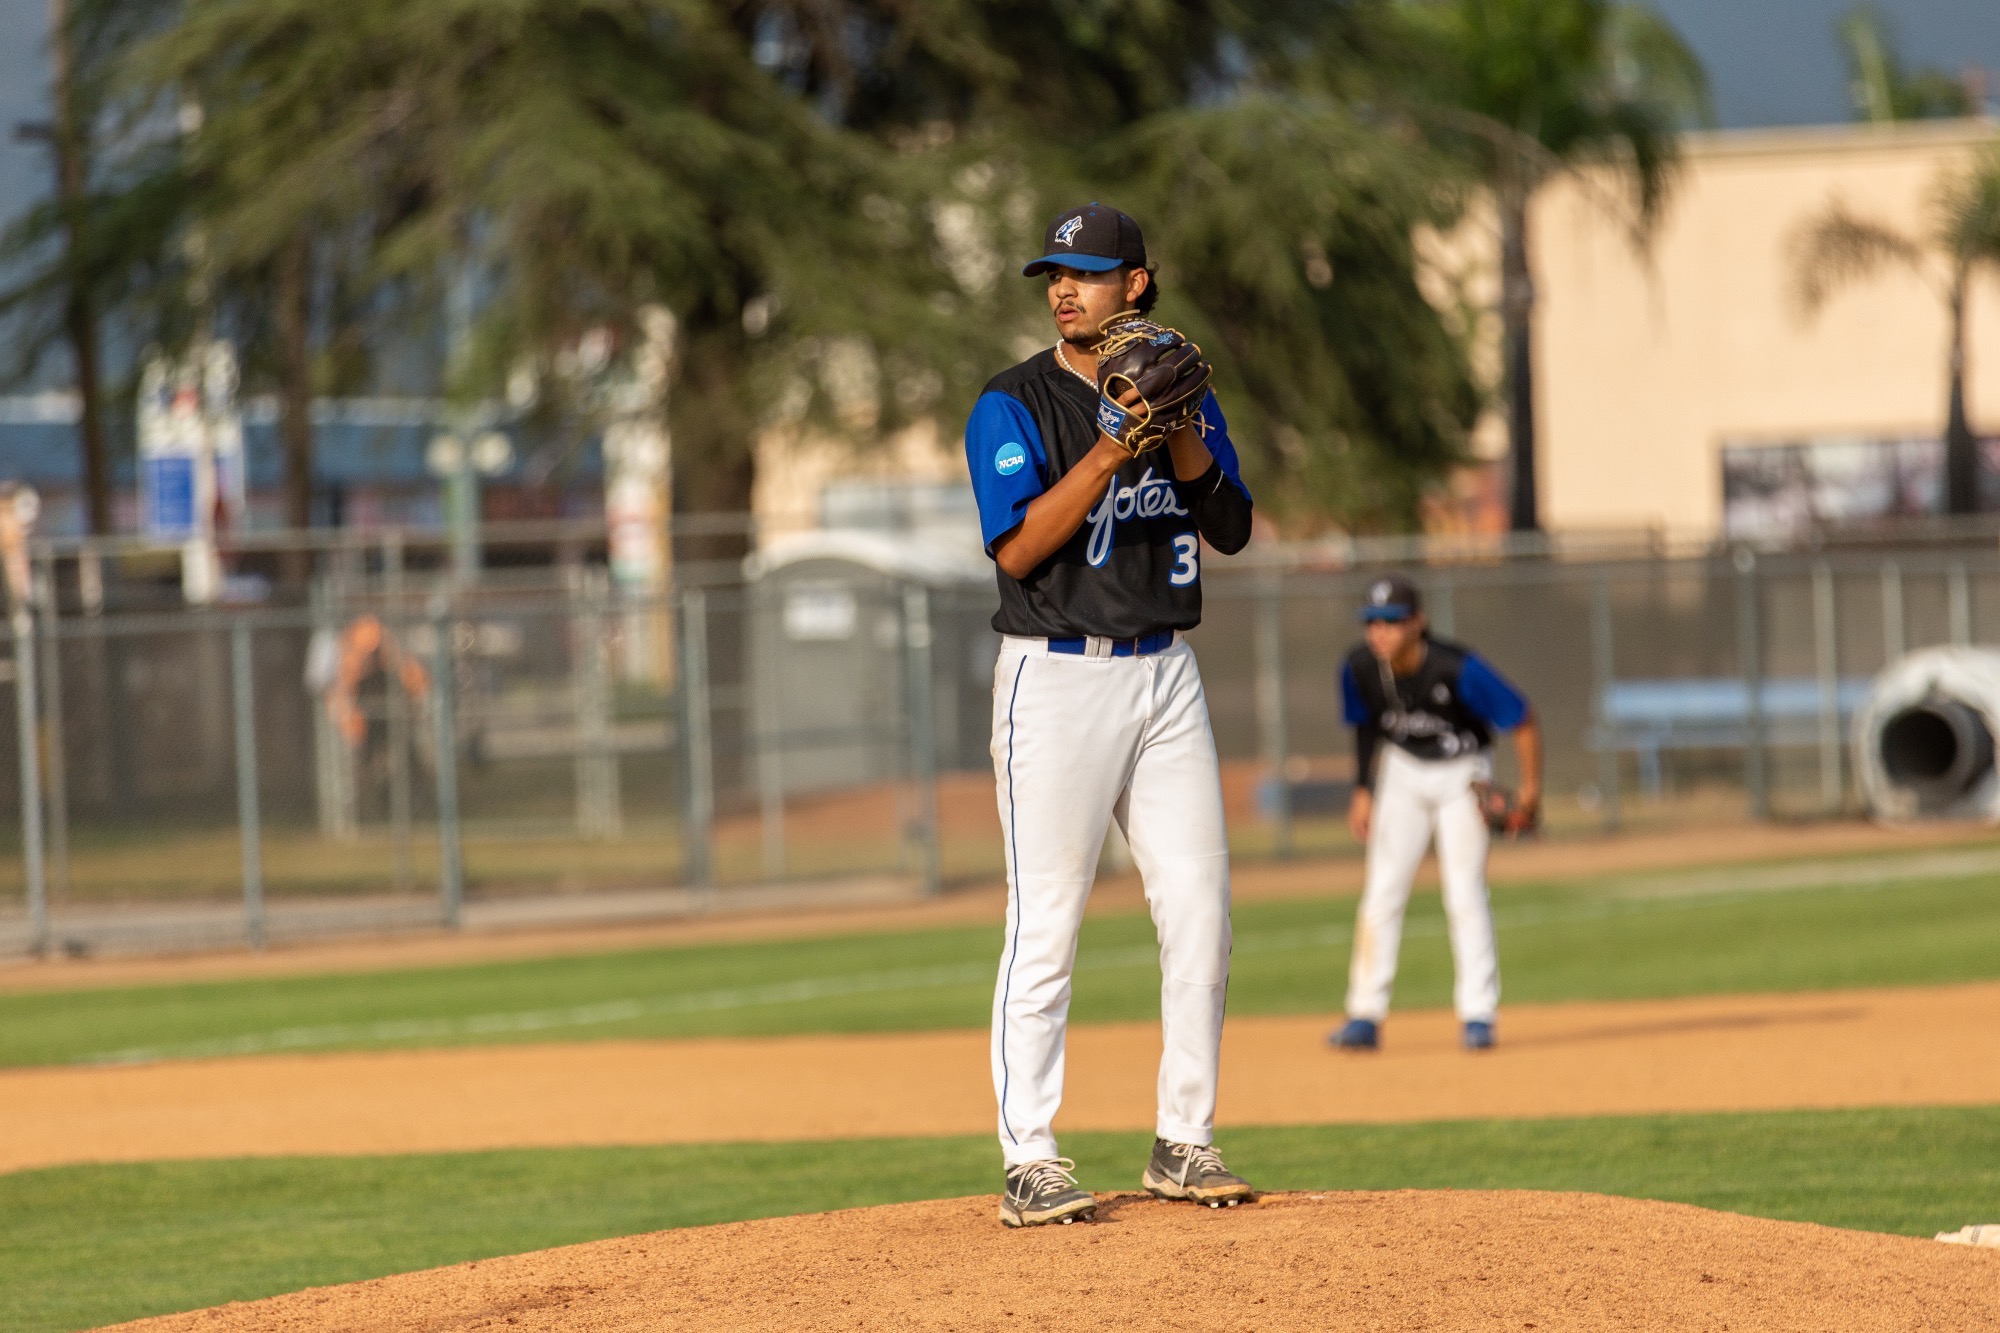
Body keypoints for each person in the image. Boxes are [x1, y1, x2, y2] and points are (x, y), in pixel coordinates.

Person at [964, 202, 1258, 1227]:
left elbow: (1228, 527)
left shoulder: (1178, 384)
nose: (1063, 288)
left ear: (1135, 282)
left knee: (1201, 915)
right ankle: (1028, 1154)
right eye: (1055, 271)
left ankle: (1182, 1139)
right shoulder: (1011, 403)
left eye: (1086, 271)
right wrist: (1104, 445)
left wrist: (1171, 431)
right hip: (1055, 676)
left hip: (1165, 673)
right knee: (1044, 924)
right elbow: (1015, 550)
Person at [1329, 573, 1541, 1053]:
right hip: (1402, 771)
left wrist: (1531, 794)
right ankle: (1365, 1014)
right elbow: (1366, 726)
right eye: (1372, 621)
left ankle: (1478, 1014)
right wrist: (1363, 789)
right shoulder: (1360, 667)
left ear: (1418, 622)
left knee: (1464, 892)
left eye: (1392, 620)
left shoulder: (1457, 668)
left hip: (1463, 772)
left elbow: (1522, 717)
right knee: (1382, 890)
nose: (1379, 630)